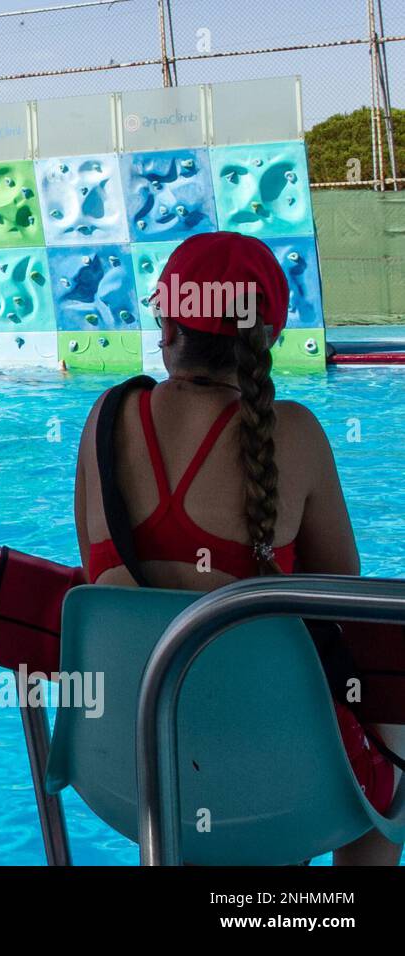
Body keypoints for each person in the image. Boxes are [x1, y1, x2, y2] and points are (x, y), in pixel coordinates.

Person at [73, 231, 401, 866]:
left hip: (128, 779)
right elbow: (342, 595)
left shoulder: (102, 421)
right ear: (268, 340)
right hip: (275, 780)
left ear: (168, 326)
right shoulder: (295, 434)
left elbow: (93, 566)